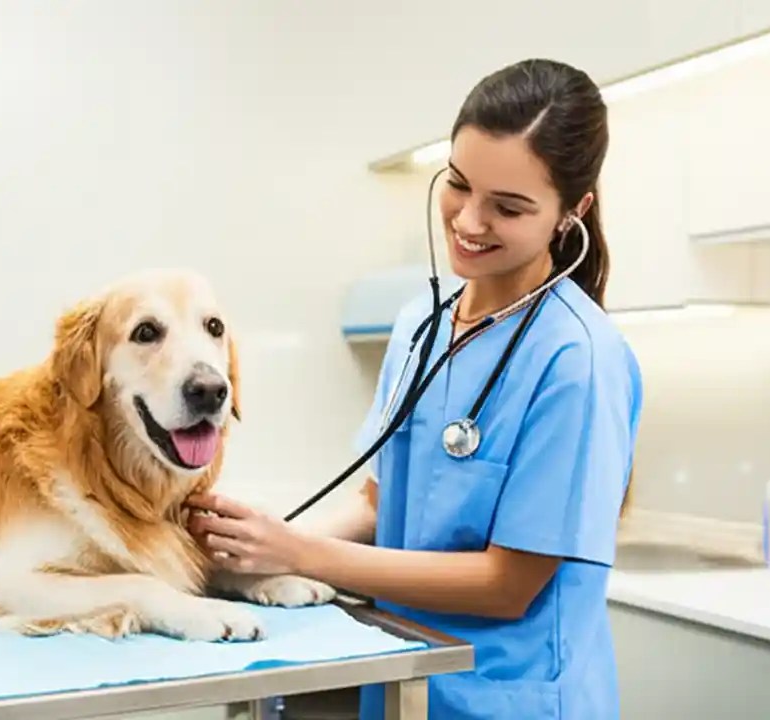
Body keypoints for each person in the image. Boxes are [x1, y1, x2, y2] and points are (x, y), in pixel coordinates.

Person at [186, 57, 642, 719]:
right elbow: (380, 505)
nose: (469, 220)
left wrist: (303, 553)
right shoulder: (419, 325)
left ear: (572, 211)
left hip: (514, 701)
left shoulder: (579, 358)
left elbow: (507, 585)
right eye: (458, 184)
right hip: (407, 684)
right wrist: (259, 551)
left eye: (509, 207)